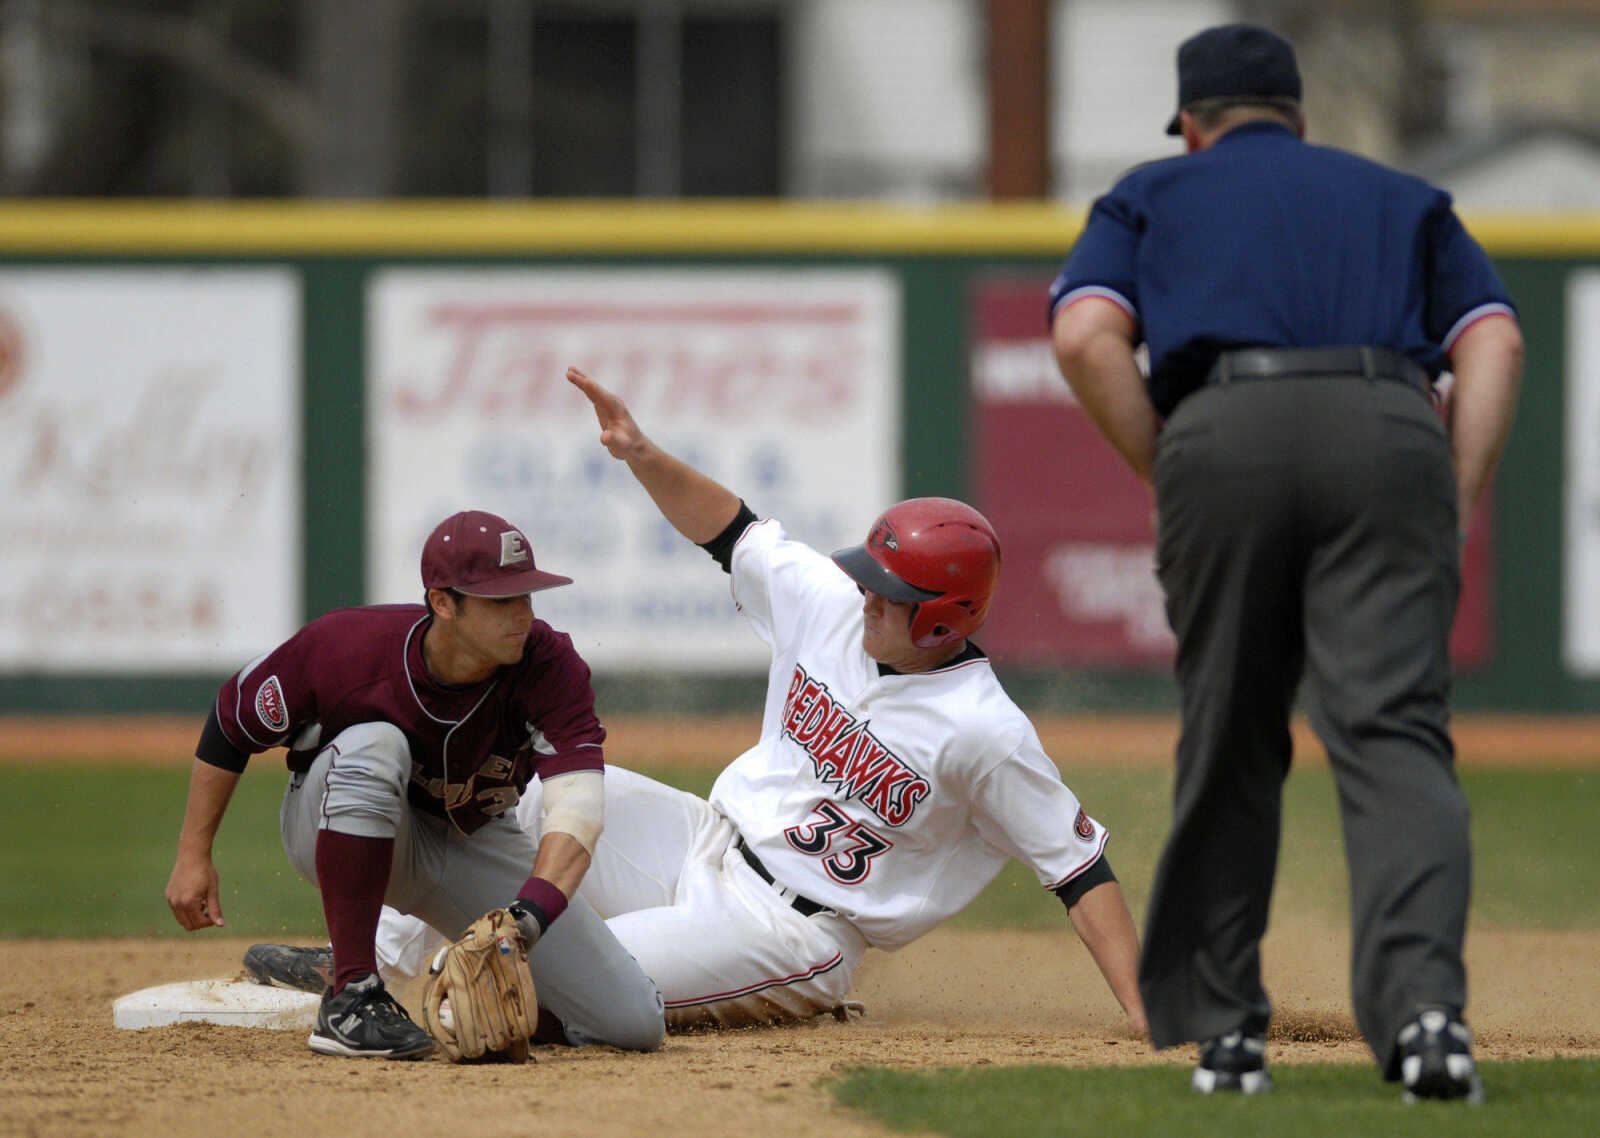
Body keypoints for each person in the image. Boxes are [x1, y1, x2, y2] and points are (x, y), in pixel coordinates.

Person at [246, 366, 1149, 1038]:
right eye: (870, 578)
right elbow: (735, 530)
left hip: (795, 931)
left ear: (945, 622)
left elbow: (1078, 871)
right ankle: (367, 959)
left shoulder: (985, 734)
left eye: (890, 594)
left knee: (590, 987)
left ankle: (492, 996)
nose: (864, 595)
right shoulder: (832, 605)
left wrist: (1148, 1010)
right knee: (510, 801)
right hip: (701, 836)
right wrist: (642, 456)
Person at [1047, 23, 1522, 1101]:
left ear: (1194, 125)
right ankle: (1427, 1022)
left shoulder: (1154, 191)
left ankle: (1224, 1031)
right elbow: (1492, 340)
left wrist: (1169, 466)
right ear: (1297, 116)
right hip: (1391, 421)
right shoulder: (1399, 194)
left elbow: (1084, 337)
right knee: (1394, 730)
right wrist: (1451, 497)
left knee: (1231, 727)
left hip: (1224, 422)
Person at [164, 509, 666, 1059]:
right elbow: (231, 721)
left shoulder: (549, 666)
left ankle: (479, 1006)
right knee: (377, 744)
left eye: (526, 596)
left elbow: (578, 808)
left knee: (633, 1022)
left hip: (471, 840)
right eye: (500, 601)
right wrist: (194, 853)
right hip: (334, 819)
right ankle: (350, 994)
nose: (521, 615)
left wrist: (527, 918)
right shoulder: (348, 648)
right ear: (443, 603)